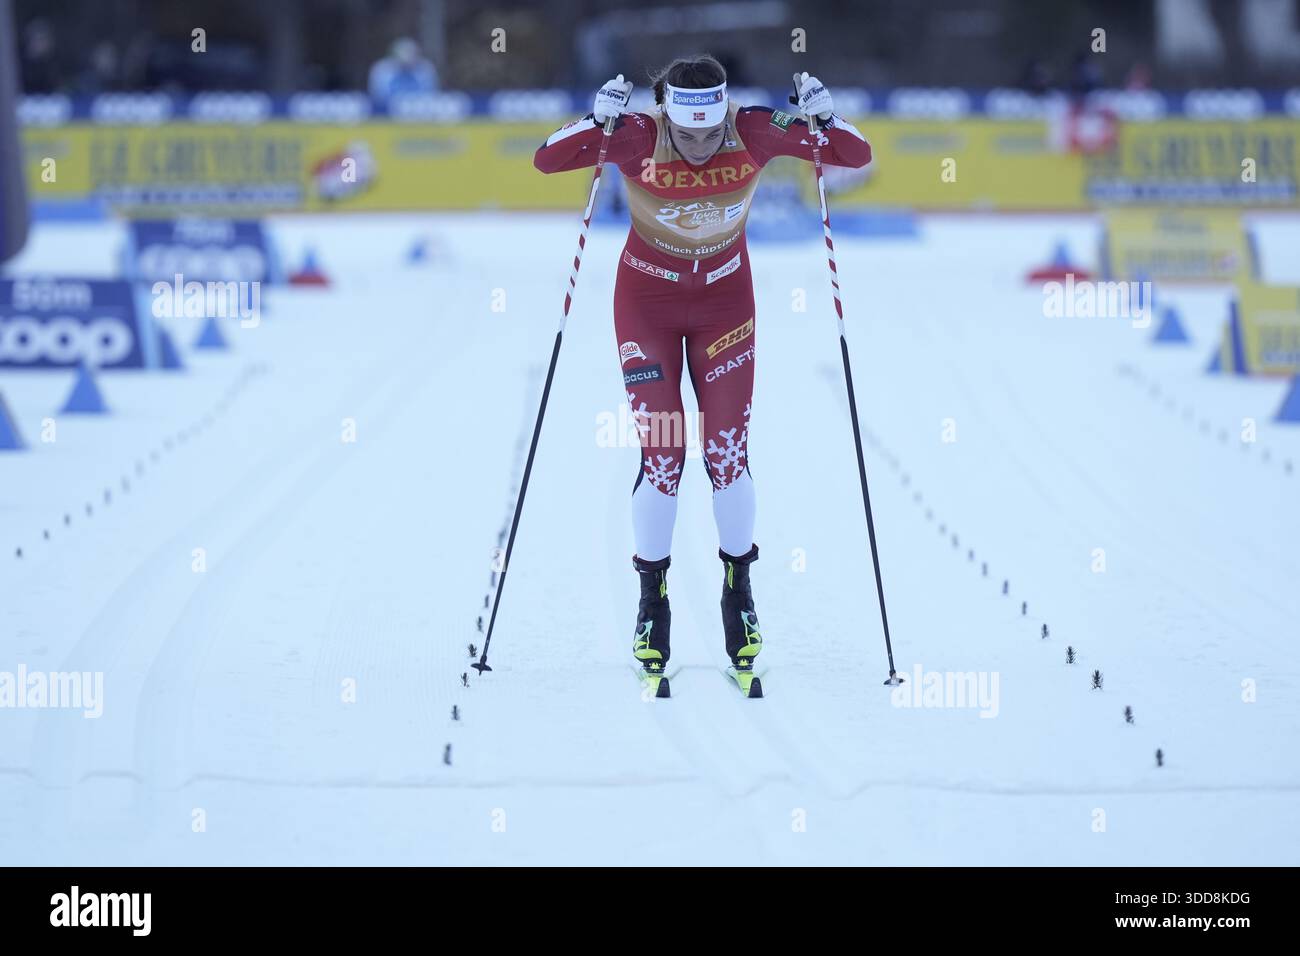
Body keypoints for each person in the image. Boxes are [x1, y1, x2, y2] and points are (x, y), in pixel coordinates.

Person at [534, 55, 870, 687]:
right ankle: (650, 598)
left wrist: (826, 116)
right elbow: (547, 160)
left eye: (708, 134)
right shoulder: (635, 134)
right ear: (665, 115)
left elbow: (852, 154)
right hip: (646, 307)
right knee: (663, 454)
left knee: (726, 451)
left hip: (724, 306)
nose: (696, 147)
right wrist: (593, 119)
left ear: (724, 115)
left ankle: (738, 589)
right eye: (685, 135)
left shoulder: (754, 128)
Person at [368, 37, 438, 105]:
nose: (407, 59)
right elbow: (378, 97)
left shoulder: (426, 69)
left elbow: (430, 95)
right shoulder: (382, 69)